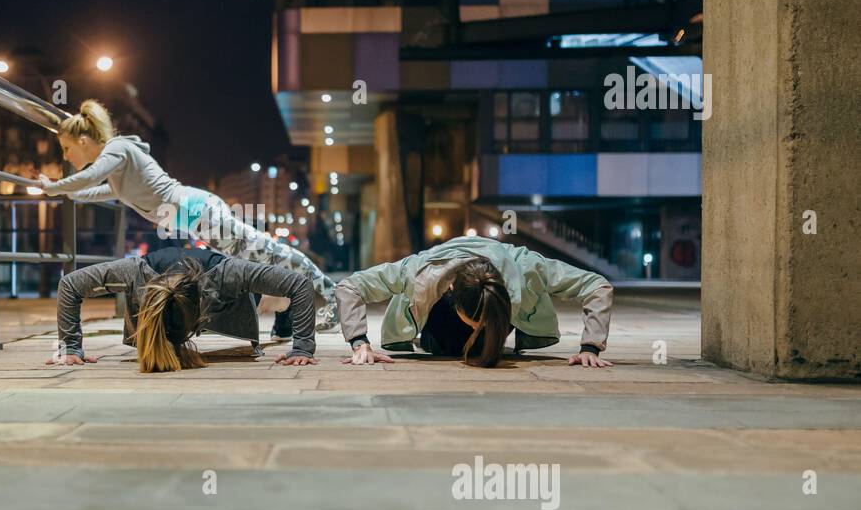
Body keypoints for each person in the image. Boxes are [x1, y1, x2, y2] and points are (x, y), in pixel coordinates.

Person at [37, 100, 337, 332]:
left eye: (66, 148)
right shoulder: (118, 166)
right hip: (196, 218)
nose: (65, 157)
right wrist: (69, 193)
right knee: (256, 261)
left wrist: (55, 187)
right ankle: (289, 315)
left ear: (84, 141)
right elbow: (102, 191)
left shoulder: (117, 149)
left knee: (266, 253)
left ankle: (332, 296)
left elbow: (91, 177)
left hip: (198, 211)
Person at [337, 235, 614, 368]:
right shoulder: (417, 271)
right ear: (451, 289)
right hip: (440, 335)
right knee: (448, 341)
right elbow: (350, 287)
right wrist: (360, 344)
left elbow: (597, 286)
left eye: (485, 324)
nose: (477, 329)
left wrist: (590, 347)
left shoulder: (527, 268)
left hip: (494, 336)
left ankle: (490, 332)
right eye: (475, 324)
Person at [50, 245, 317, 372]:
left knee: (277, 299)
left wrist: (302, 346)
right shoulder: (135, 272)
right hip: (171, 285)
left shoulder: (229, 274)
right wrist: (70, 347)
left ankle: (283, 318)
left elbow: (300, 285)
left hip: (230, 299)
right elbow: (70, 285)